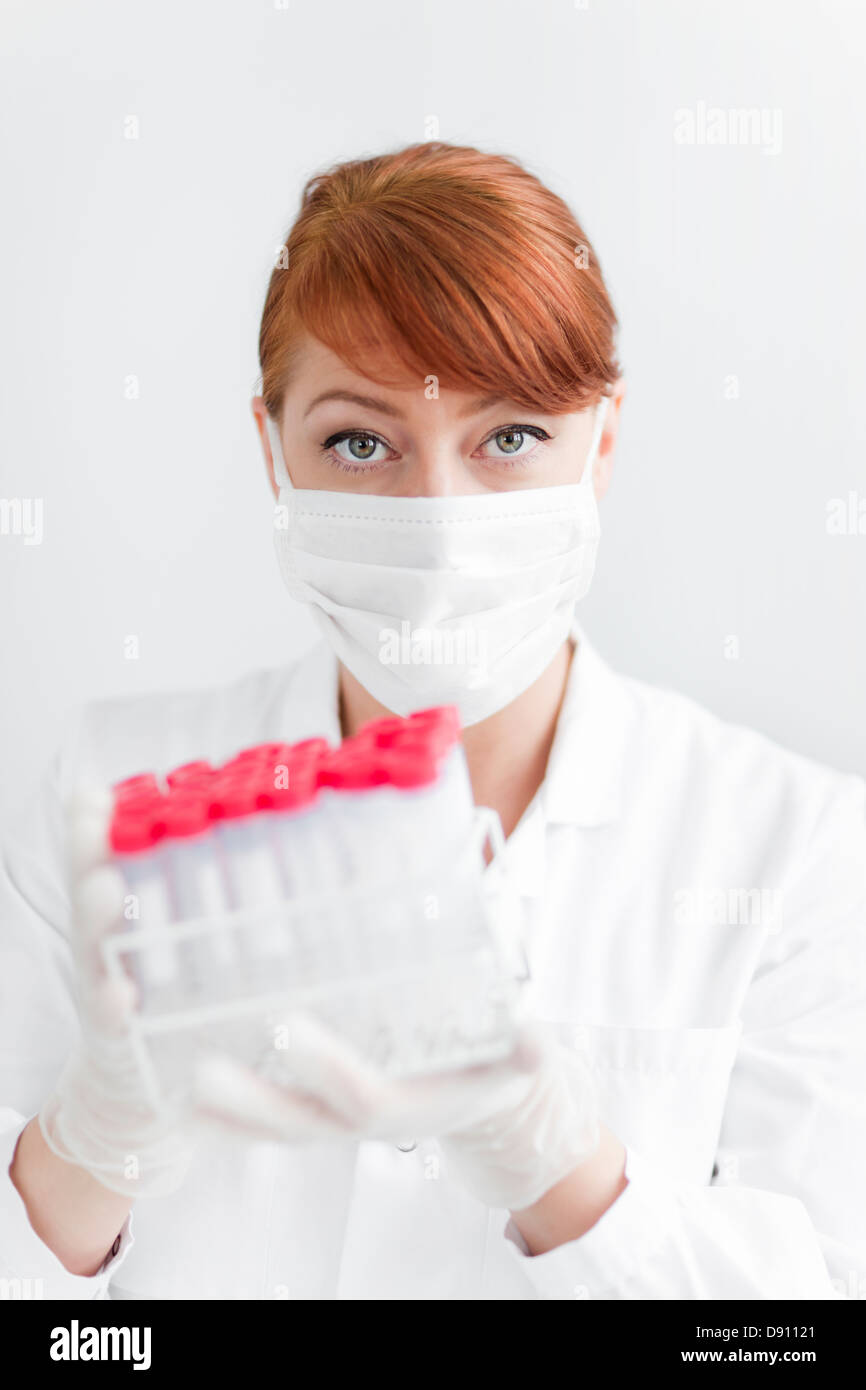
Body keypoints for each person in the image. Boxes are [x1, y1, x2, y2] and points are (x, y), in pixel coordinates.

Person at [2, 142, 864, 1300]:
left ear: (601, 443)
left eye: (509, 436)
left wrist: (561, 1167)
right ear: (271, 450)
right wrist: (89, 1143)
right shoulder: (106, 793)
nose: (440, 521)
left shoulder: (795, 849)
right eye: (359, 443)